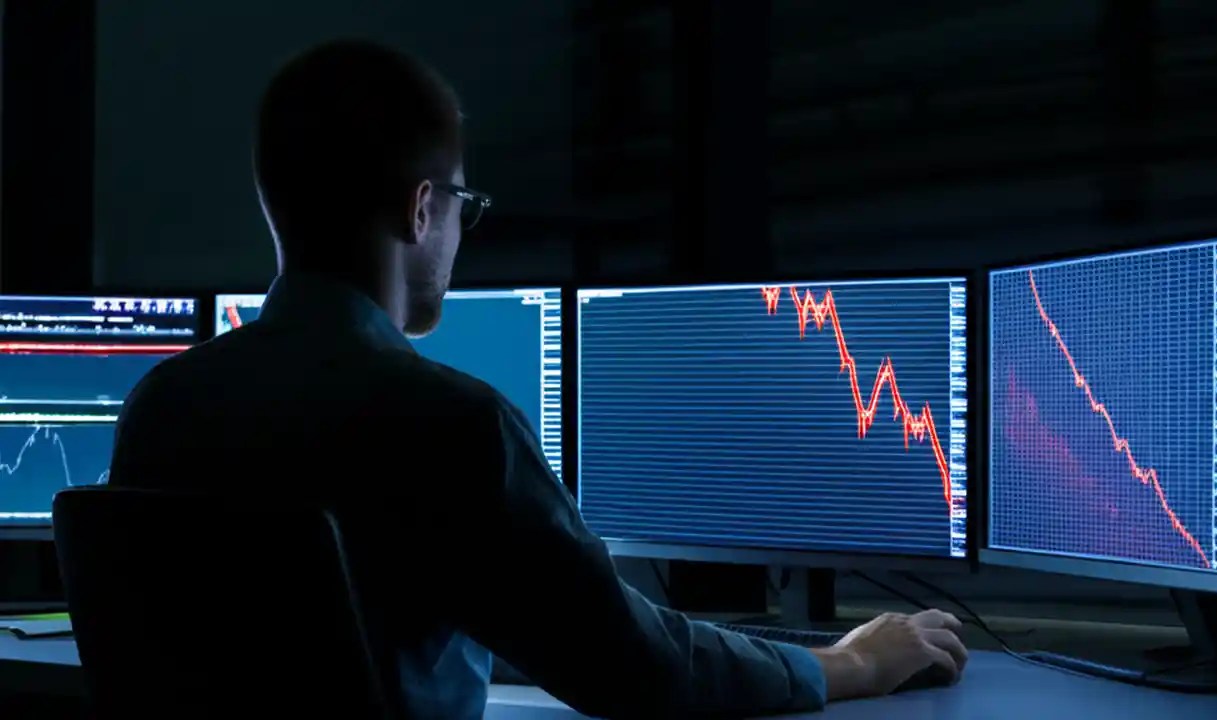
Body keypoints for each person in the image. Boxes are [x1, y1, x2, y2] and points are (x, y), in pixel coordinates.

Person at [108, 40, 968, 719]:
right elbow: (639, 672)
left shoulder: (160, 409)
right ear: (420, 208)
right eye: (460, 207)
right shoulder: (449, 426)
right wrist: (853, 661)